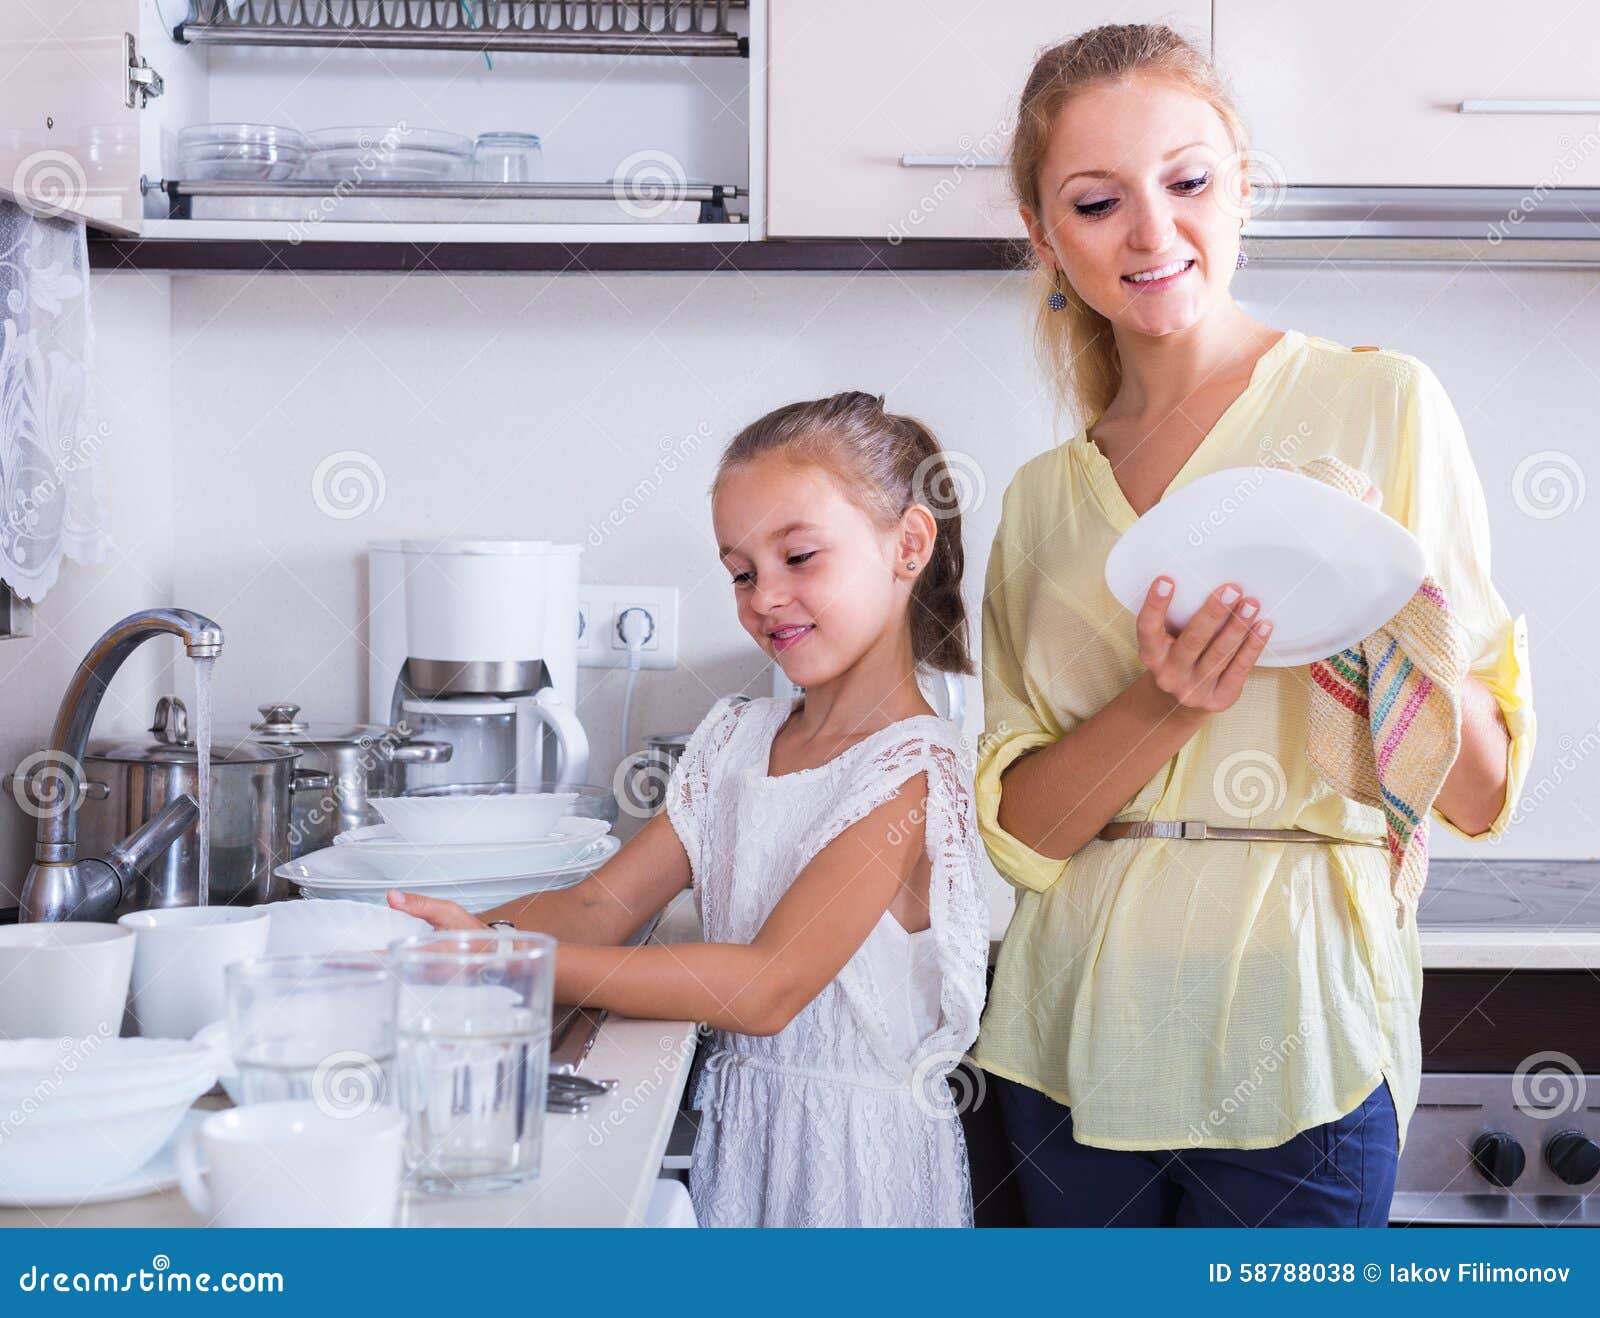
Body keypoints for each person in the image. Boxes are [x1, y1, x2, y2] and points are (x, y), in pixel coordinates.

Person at [968, 24, 1536, 1227]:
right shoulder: (1037, 504)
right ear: (1045, 237)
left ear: (1242, 188)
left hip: (1304, 1030)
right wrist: (1161, 705)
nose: (1153, 232)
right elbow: (1020, 834)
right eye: (1096, 201)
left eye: (1187, 182)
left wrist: (1387, 610)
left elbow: (1475, 796)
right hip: (1067, 1034)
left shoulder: (1378, 404)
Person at [392, 391, 990, 1228]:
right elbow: (601, 904)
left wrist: (508, 965)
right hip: (745, 1141)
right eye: (742, 573)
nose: (764, 597)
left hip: (852, 1171)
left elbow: (770, 986)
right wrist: (444, 940)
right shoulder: (736, 740)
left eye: (800, 557)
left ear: (909, 545)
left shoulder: (912, 766)